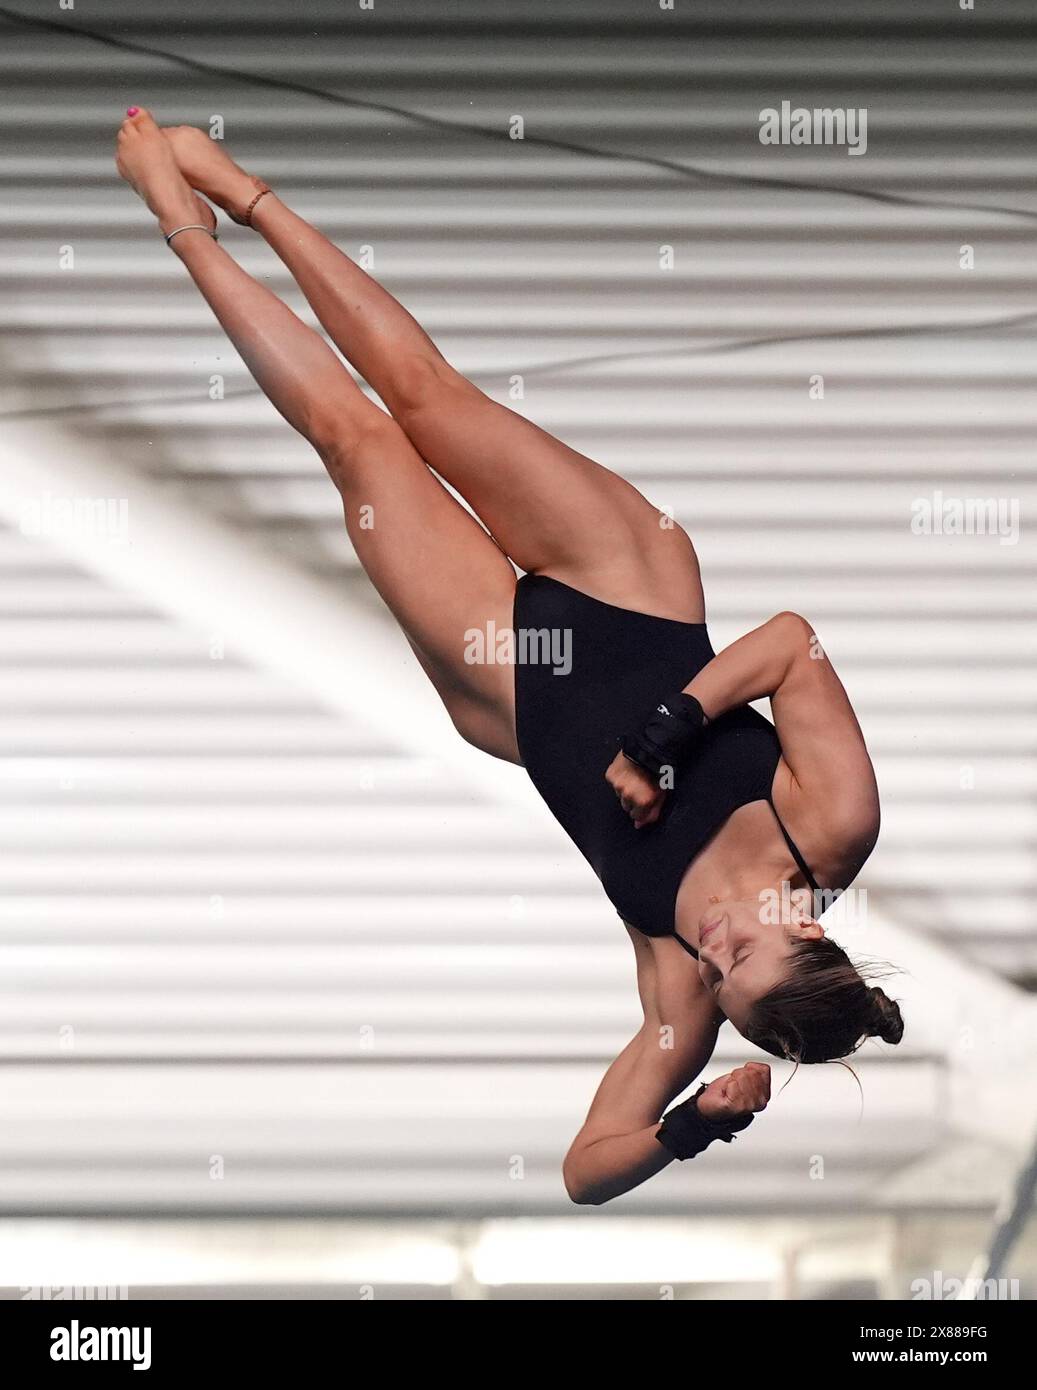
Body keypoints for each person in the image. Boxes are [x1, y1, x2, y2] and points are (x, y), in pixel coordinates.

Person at [115, 108, 897, 1205]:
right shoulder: (830, 825)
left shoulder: (680, 989)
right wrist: (668, 728)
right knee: (431, 399)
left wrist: (687, 1128)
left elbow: (583, 1170)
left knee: (359, 442)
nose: (712, 946)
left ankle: (181, 224)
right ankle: (239, 189)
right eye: (744, 947)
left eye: (716, 976)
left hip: (518, 685)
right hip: (632, 589)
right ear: (805, 923)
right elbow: (789, 643)